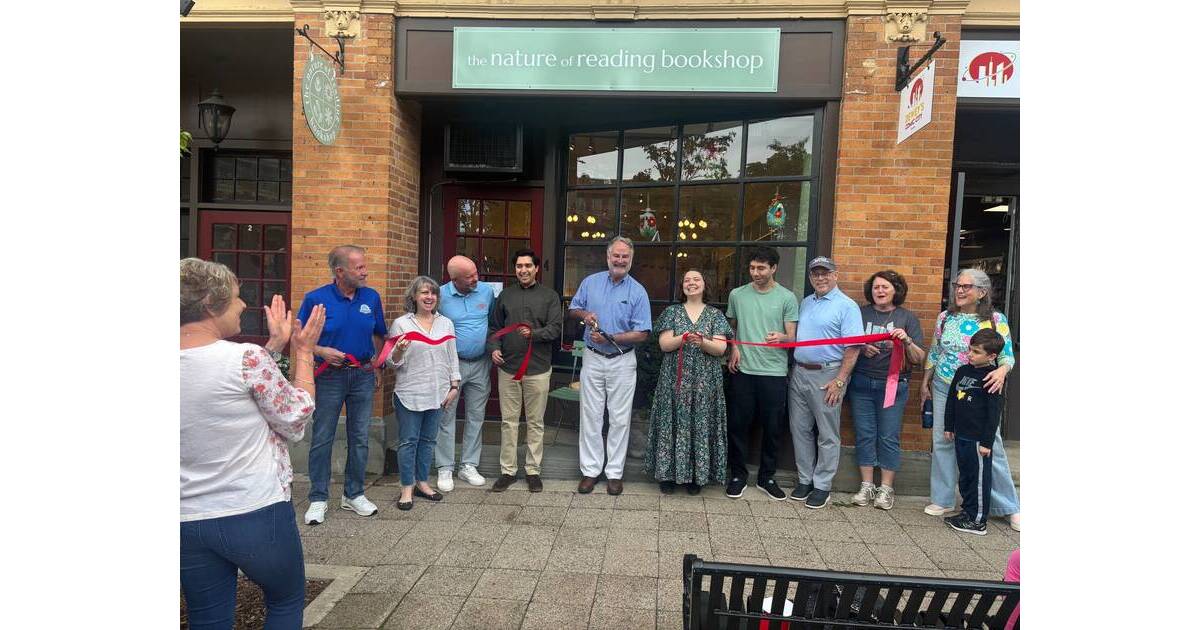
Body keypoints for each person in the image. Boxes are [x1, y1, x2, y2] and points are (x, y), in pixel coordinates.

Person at [180, 258, 325, 628]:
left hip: (185, 516)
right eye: (236, 296)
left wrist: (274, 346)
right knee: (285, 600)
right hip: (253, 510)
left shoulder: (249, 359)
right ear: (211, 305)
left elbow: (238, 396)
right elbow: (294, 417)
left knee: (207, 618)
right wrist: (304, 352)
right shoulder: (246, 357)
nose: (244, 304)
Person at [921, 268, 1021, 531]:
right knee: (944, 439)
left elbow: (1007, 355)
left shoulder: (995, 320)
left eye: (966, 286)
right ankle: (943, 499)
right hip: (945, 385)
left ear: (982, 292)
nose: (960, 290)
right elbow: (935, 351)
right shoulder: (945, 318)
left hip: (980, 389)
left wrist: (1001, 370)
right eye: (958, 285)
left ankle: (1009, 506)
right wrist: (925, 382)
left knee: (991, 446)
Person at [298, 245, 388, 526]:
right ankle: (318, 498)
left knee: (359, 437)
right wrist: (322, 352)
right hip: (329, 376)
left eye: (364, 266)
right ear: (340, 271)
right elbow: (300, 338)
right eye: (359, 267)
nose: (365, 272)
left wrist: (377, 365)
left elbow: (378, 335)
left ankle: (354, 494)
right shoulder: (316, 299)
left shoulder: (371, 297)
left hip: (361, 374)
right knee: (323, 436)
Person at [567, 236, 652, 496]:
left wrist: (611, 337)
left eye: (625, 256)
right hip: (592, 357)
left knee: (619, 418)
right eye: (616, 255)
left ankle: (614, 473)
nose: (620, 260)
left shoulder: (637, 291)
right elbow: (573, 308)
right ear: (607, 257)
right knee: (590, 415)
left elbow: (643, 334)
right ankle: (591, 471)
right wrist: (585, 315)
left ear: (631, 259)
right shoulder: (590, 283)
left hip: (623, 360)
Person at [645, 270, 732, 495]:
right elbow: (665, 345)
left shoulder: (715, 315)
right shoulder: (672, 312)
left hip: (705, 383)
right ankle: (668, 475)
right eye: (687, 280)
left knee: (700, 423)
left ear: (705, 284)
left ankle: (697, 476)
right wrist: (682, 337)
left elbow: (721, 348)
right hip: (674, 381)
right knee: (671, 422)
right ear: (682, 286)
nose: (691, 283)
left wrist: (702, 341)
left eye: (696, 279)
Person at [788, 256, 863, 509]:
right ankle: (805, 480)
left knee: (827, 434)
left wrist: (840, 380)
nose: (820, 278)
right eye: (815, 274)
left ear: (835, 275)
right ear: (810, 277)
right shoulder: (806, 302)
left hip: (828, 376)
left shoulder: (847, 306)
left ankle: (822, 485)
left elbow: (853, 348)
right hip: (800, 373)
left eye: (825, 273)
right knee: (800, 429)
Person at [846, 270, 926, 510]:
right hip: (861, 383)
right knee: (864, 434)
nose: (879, 291)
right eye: (876, 287)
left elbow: (919, 358)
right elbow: (845, 344)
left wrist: (907, 341)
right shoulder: (858, 313)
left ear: (896, 291)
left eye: (885, 287)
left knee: (888, 436)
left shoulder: (907, 318)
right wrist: (862, 348)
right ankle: (867, 485)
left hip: (893, 385)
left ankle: (886, 489)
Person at [725, 246, 799, 501]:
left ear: (773, 269)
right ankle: (737, 475)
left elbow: (793, 337)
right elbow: (731, 329)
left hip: (774, 372)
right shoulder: (737, 294)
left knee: (772, 427)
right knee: (738, 425)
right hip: (743, 370)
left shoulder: (787, 297)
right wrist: (732, 349)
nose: (755, 273)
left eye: (761, 268)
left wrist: (783, 337)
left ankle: (767, 477)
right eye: (752, 268)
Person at [487, 249, 563, 493]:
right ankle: (507, 471)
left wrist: (535, 334)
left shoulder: (550, 296)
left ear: (536, 268)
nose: (523, 270)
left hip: (538, 369)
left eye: (528, 266)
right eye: (519, 266)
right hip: (508, 367)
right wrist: (494, 348)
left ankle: (533, 471)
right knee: (508, 422)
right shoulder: (505, 296)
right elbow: (494, 327)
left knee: (535, 422)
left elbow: (555, 329)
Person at [386, 276, 461, 510]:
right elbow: (391, 362)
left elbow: (452, 356)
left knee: (428, 441)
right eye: (424, 293)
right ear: (414, 297)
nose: (429, 297)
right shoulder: (401, 324)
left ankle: (422, 483)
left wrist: (454, 386)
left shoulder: (446, 323)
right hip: (410, 393)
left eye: (433, 293)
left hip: (438, 392)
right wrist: (398, 351)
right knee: (408, 441)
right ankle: (406, 488)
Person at [436, 255, 493, 492]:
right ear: (454, 279)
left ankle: (468, 464)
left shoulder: (486, 292)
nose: (475, 279)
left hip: (480, 363)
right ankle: (445, 466)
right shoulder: (439, 295)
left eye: (475, 273)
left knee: (476, 415)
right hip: (452, 365)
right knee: (446, 416)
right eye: (469, 277)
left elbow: (494, 323)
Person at [942, 328, 1006, 535]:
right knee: (966, 477)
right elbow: (952, 400)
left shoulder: (992, 378)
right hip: (961, 435)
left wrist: (987, 442)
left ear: (992, 356)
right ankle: (967, 512)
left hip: (978, 440)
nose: (970, 354)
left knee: (978, 480)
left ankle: (978, 520)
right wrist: (949, 426)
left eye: (976, 352)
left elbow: (994, 414)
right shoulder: (962, 371)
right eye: (970, 350)